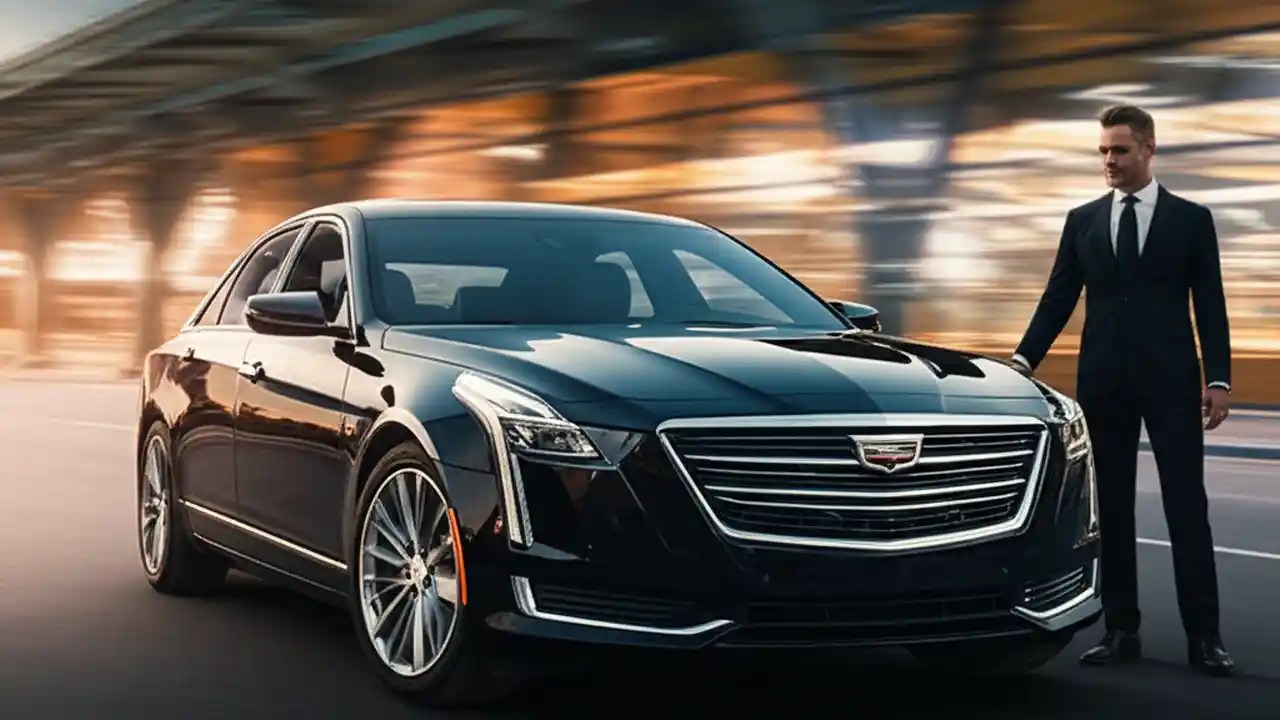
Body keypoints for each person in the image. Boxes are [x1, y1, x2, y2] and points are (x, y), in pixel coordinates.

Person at [1010, 104, 1234, 676]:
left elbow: (1209, 303)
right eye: (1103, 151)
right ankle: (1120, 629)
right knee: (1110, 511)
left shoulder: (1191, 220)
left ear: (1149, 150)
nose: (1109, 160)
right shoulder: (1082, 220)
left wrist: (1218, 378)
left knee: (1188, 508)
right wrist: (1022, 359)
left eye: (1121, 150)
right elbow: (1058, 296)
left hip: (1171, 384)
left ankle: (1205, 637)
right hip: (1104, 384)